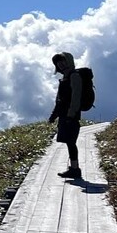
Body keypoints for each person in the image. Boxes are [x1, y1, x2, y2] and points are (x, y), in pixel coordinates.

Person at [48, 52, 83, 180]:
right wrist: (54, 115)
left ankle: (75, 169)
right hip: (65, 116)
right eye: (58, 63)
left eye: (63, 61)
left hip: (70, 116)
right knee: (69, 142)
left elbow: (76, 98)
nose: (60, 65)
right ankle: (74, 168)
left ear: (69, 61)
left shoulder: (74, 76)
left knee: (71, 142)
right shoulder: (65, 78)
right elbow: (59, 100)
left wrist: (70, 114)